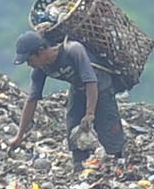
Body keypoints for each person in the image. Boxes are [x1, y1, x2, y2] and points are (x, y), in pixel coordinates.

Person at [7, 31, 126, 169]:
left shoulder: (72, 50)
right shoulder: (40, 69)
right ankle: (80, 165)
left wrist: (90, 113)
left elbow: (91, 81)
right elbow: (31, 100)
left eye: (29, 59)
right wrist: (19, 136)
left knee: (108, 125)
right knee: (73, 123)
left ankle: (118, 161)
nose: (29, 64)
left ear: (41, 51)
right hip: (78, 89)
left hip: (100, 87)